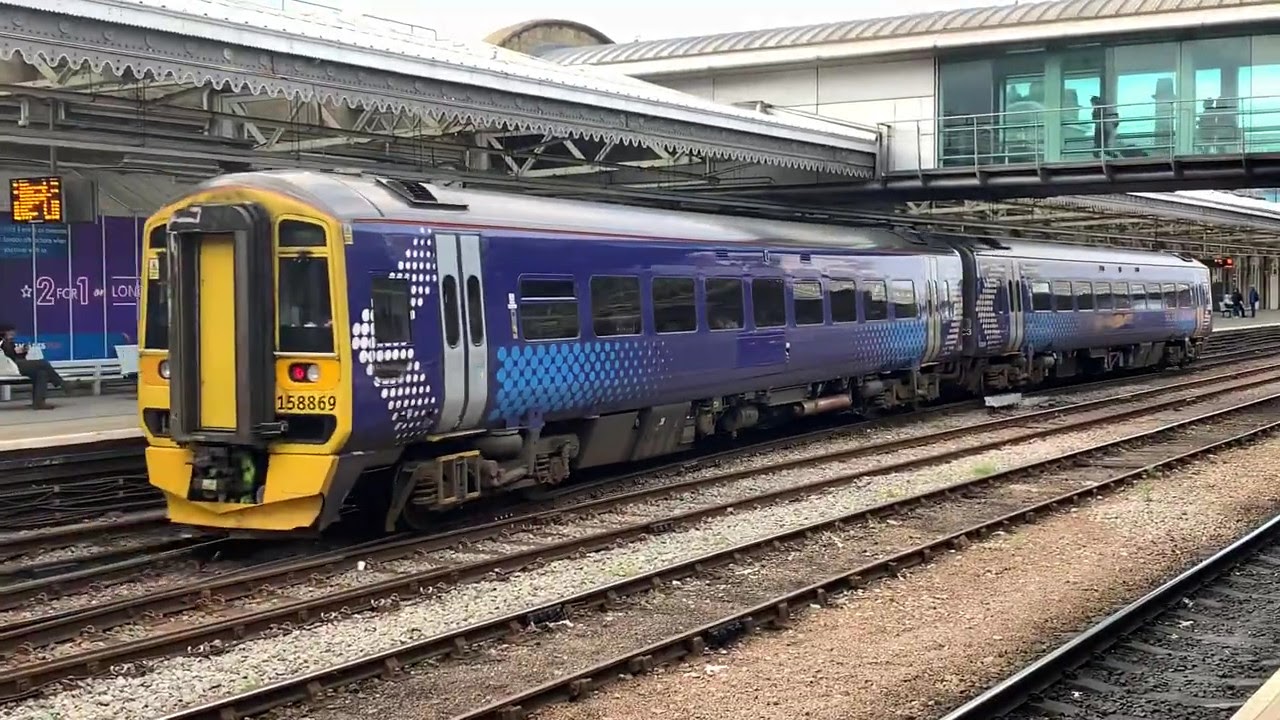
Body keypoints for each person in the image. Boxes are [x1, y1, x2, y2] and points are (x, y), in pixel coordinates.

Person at [0, 324, 67, 409]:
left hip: (14, 365)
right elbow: (7, 356)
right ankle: (62, 384)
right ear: (4, 333)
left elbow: (15, 357)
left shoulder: (9, 343)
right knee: (42, 363)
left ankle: (39, 403)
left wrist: (22, 352)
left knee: (41, 373)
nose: (13, 334)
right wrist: (13, 350)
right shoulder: (3, 343)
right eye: (11, 332)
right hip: (7, 367)